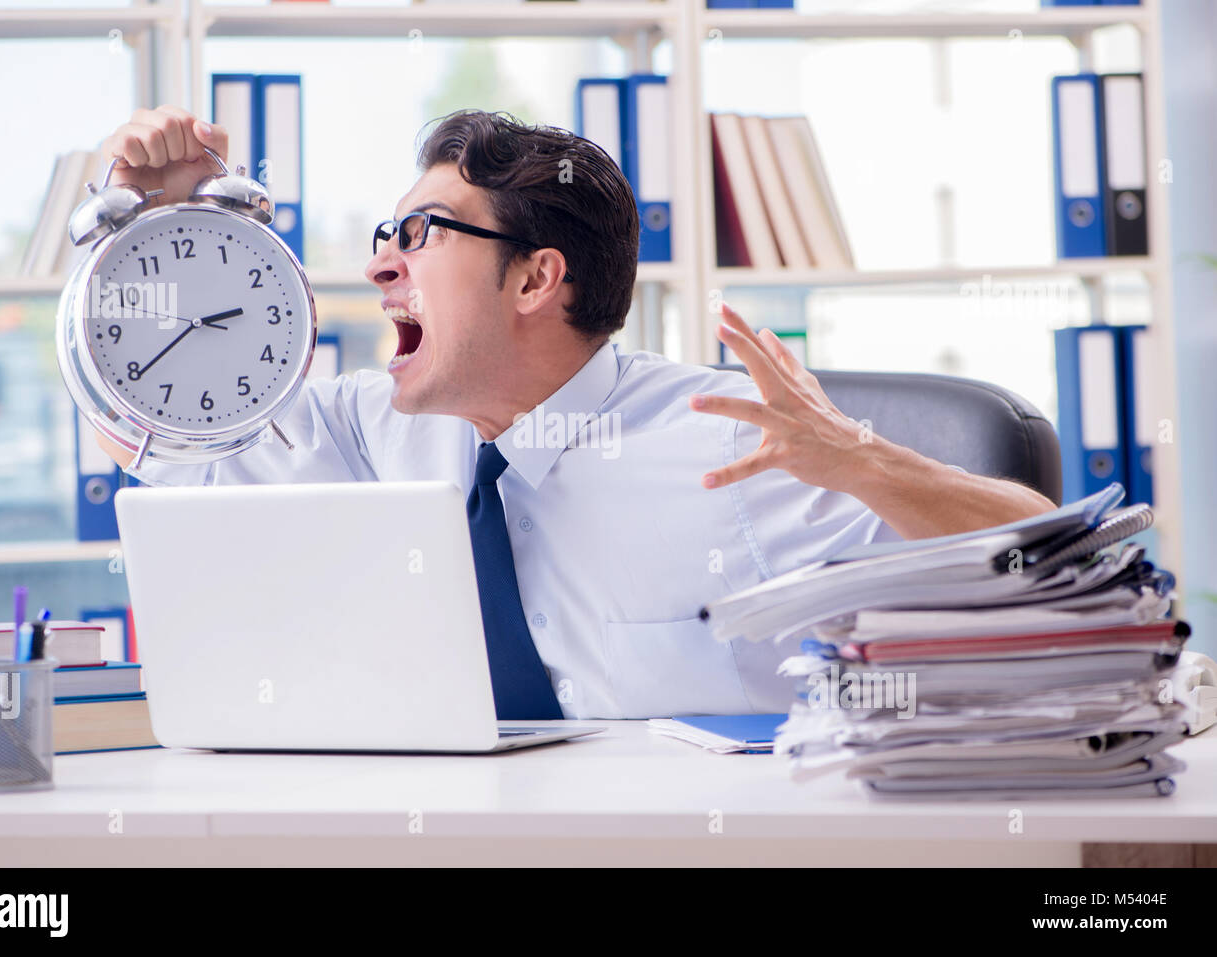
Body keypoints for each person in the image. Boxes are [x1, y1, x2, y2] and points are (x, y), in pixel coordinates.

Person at [93, 105, 1058, 720]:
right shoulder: (362, 430)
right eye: (386, 236)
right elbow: (146, 438)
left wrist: (864, 462)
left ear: (535, 278)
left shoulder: (732, 443)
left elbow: (1060, 578)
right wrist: (155, 235)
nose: (380, 264)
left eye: (419, 235)